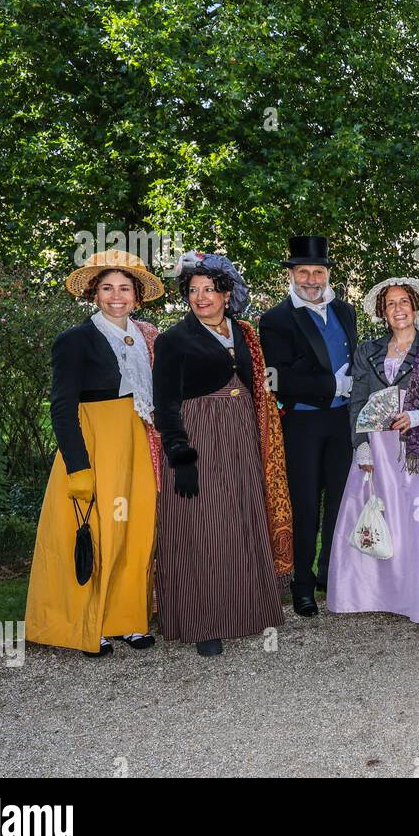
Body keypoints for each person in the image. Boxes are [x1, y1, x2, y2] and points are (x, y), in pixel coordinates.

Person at [25, 250, 164, 657]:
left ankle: (129, 620)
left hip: (136, 440)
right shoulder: (74, 340)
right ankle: (90, 625)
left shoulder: (147, 336)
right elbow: (62, 406)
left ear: (136, 297)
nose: (116, 296)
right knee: (98, 532)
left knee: (135, 529)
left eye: (124, 288)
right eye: (107, 288)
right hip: (95, 441)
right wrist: (78, 466)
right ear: (94, 294)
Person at [153, 252, 292, 657]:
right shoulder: (173, 340)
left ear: (226, 293)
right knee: (201, 527)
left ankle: (246, 612)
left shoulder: (245, 332)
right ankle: (204, 622)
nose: (201, 298)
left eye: (210, 290)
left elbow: (261, 388)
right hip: (199, 437)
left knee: (241, 519)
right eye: (193, 291)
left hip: (242, 435)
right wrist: (179, 452)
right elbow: (166, 403)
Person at [327, 278, 419, 624]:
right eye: (391, 304)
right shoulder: (367, 351)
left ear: (416, 307)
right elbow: (358, 401)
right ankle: (382, 590)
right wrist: (361, 447)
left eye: (404, 301)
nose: (398, 308)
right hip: (381, 444)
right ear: (382, 312)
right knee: (386, 514)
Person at [258, 235, 358, 618]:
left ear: (328, 273)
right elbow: (277, 377)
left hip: (341, 419)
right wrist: (333, 384)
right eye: (304, 272)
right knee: (304, 505)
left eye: (318, 271)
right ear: (293, 274)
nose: (311, 279)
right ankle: (302, 585)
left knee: (339, 501)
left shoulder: (345, 311)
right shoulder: (277, 319)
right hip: (302, 422)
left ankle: (332, 575)